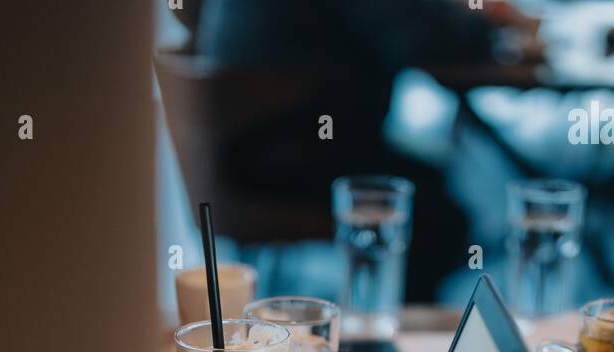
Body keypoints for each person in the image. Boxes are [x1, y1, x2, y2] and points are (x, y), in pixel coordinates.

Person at [191, 0, 539, 302]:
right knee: (434, 212)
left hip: (243, 161)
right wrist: (489, 21)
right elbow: (423, 37)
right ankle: (394, 346)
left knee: (424, 184)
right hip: (291, 158)